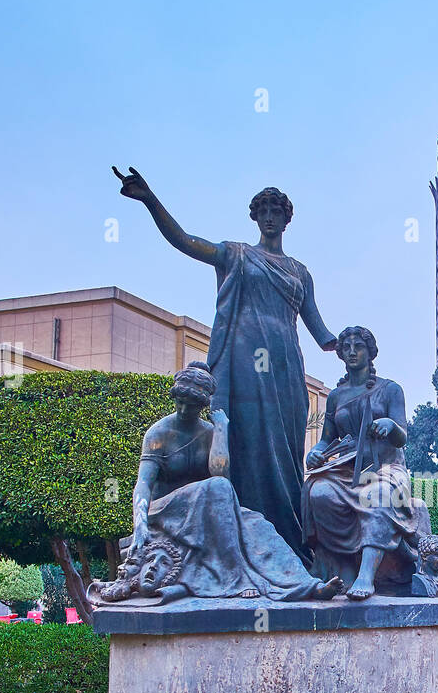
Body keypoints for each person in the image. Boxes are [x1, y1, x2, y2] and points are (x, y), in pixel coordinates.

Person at [112, 167, 338, 560]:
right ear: (255, 216)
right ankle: (241, 542)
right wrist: (151, 200)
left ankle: (289, 546)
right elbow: (184, 241)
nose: (270, 217)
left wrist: (355, 353)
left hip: (285, 367)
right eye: (264, 210)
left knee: (285, 456)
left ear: (287, 219)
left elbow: (321, 331)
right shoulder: (234, 254)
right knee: (243, 441)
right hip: (242, 362)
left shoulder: (300, 272)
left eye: (277, 210)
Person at [90, 361, 342, 605]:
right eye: (180, 402)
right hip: (165, 511)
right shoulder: (159, 433)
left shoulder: (209, 432)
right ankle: (234, 578)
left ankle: (304, 585)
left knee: (259, 526)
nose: (183, 409)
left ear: (202, 405)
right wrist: (141, 522)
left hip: (204, 509)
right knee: (218, 488)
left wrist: (221, 429)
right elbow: (144, 483)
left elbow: (219, 473)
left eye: (191, 405)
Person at [303, 327, 419, 600]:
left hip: (386, 468)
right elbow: (327, 440)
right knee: (318, 493)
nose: (352, 352)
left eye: (359, 346)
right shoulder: (336, 396)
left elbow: (402, 437)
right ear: (341, 354)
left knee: (376, 495)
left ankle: (367, 575)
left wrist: (390, 425)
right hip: (347, 469)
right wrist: (315, 453)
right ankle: (343, 569)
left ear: (370, 352)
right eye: (347, 348)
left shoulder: (390, 389)